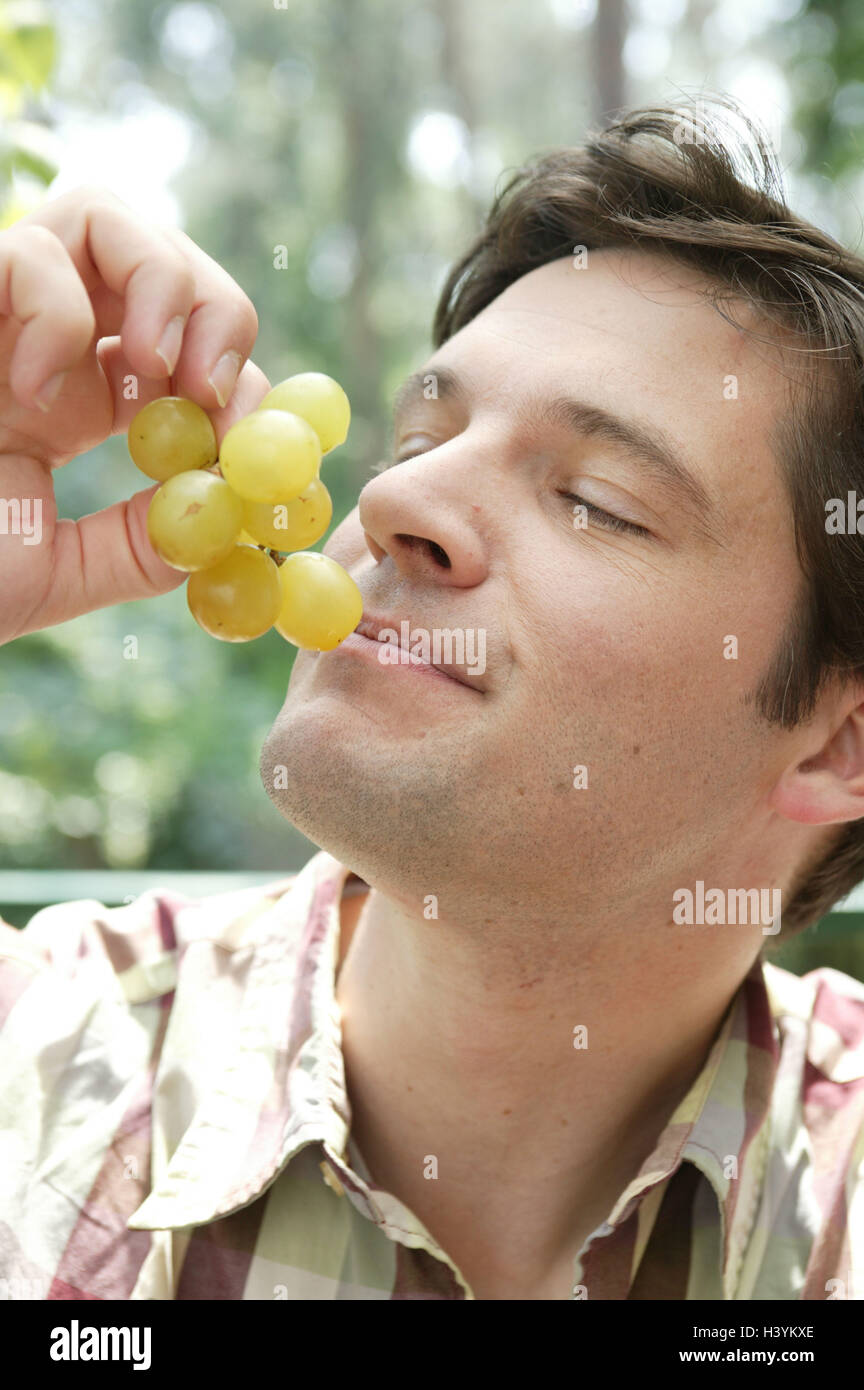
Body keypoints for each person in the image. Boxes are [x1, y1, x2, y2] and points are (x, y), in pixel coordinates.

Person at [2, 97, 864, 1303]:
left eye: (599, 500)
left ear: (840, 738)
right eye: (418, 438)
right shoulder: (38, 1074)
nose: (395, 510)